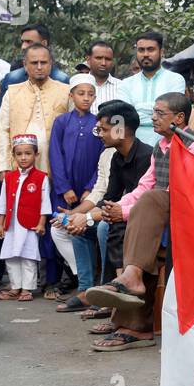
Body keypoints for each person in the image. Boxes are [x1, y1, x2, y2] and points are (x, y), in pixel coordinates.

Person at [84, 92, 194, 349]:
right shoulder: (160, 147)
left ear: (180, 118)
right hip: (159, 219)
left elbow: (184, 192)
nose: (153, 117)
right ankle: (135, 322)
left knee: (149, 203)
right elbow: (143, 186)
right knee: (141, 237)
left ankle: (129, 283)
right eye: (153, 112)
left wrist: (127, 212)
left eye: (160, 113)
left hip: (187, 216)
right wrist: (118, 207)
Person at [54, 101, 153, 323]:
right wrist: (82, 218)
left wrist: (89, 216)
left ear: (121, 129)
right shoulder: (117, 158)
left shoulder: (146, 156)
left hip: (139, 220)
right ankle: (92, 289)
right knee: (81, 228)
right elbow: (110, 196)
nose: (99, 135)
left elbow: (140, 201)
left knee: (105, 227)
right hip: (121, 213)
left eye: (104, 129)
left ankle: (114, 293)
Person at [48, 75, 102, 301]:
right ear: (71, 95)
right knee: (62, 228)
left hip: (89, 190)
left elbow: (102, 157)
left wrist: (90, 188)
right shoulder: (61, 122)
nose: (86, 98)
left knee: (84, 229)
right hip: (65, 189)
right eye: (81, 93)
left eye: (90, 94)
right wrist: (63, 187)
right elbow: (55, 154)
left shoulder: (99, 123)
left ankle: (90, 279)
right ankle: (80, 273)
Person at [0, 43, 70, 178]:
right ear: (25, 64)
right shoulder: (12, 92)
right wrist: (3, 167)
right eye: (34, 63)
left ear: (50, 63)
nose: (39, 67)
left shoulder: (66, 91)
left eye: (43, 62)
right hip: (19, 168)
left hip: (57, 169)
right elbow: (2, 131)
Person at [0, 135, 50, 301]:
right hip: (11, 224)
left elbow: (45, 203)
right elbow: (3, 202)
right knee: (11, 256)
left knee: (28, 256)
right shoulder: (9, 177)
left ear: (36, 154)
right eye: (19, 154)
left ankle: (27, 288)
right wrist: (0, 223)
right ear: (14, 156)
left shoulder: (41, 177)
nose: (23, 157)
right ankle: (15, 286)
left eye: (28, 153)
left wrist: (41, 223)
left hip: (30, 224)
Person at [118, 31, 187, 146]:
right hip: (133, 149)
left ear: (161, 52)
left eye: (150, 49)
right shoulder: (125, 84)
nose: (145, 54)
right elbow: (124, 118)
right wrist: (158, 113)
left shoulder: (175, 80)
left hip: (166, 148)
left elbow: (171, 116)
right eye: (141, 50)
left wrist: (137, 111)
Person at [0, 24, 71, 97]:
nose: (23, 47)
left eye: (29, 42)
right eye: (23, 42)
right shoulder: (11, 79)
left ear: (44, 43)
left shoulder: (62, 80)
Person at [86, 40, 120, 109]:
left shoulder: (122, 87)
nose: (103, 63)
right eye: (99, 58)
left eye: (108, 59)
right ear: (88, 59)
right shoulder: (77, 86)